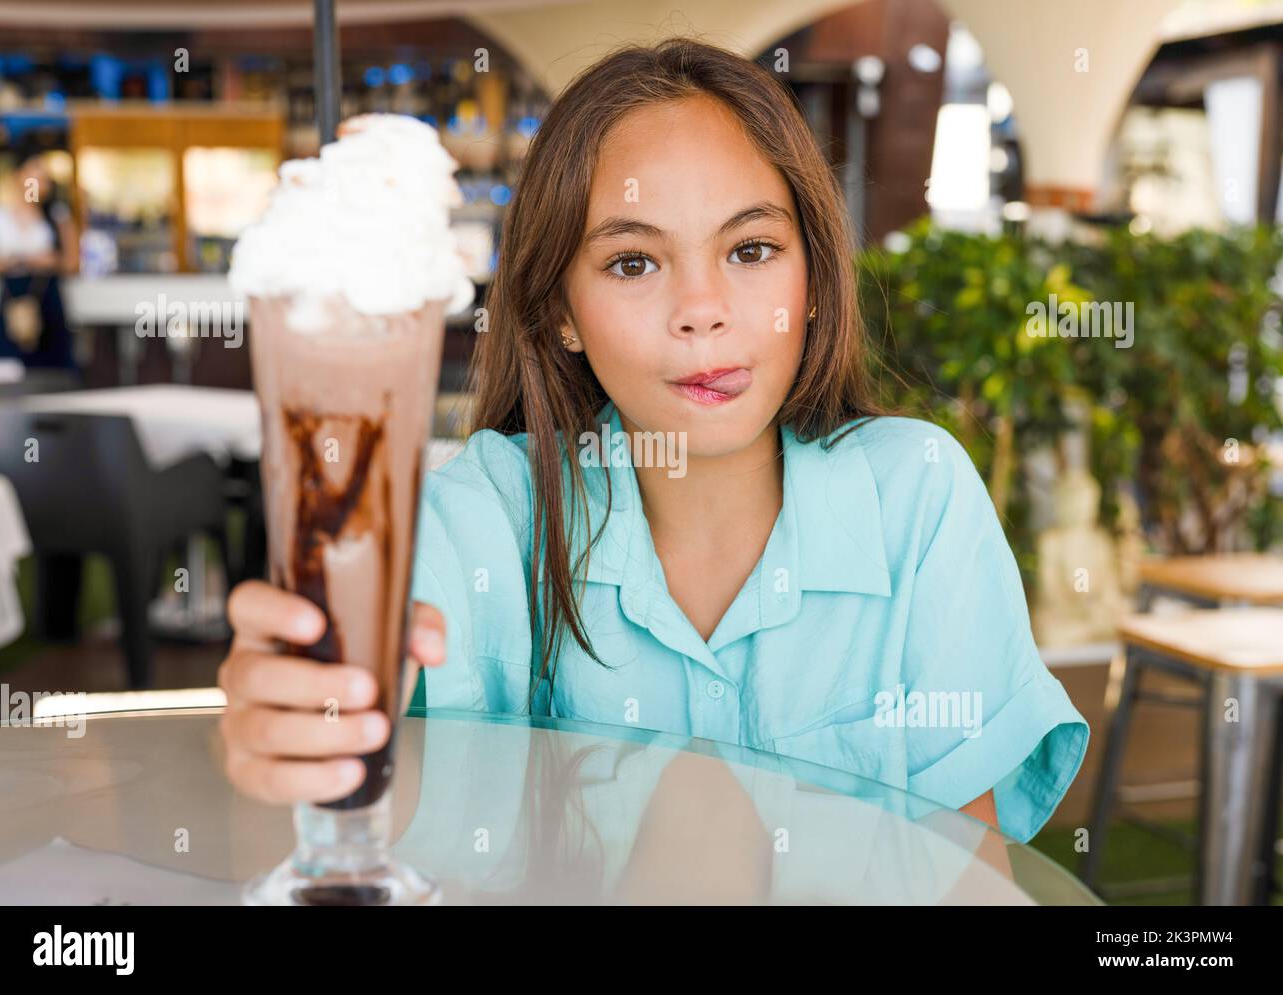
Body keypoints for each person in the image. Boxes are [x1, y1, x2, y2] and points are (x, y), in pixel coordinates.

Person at [218, 38, 1089, 853]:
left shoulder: (918, 499)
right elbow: (376, 766)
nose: (702, 310)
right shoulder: (483, 518)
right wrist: (309, 726)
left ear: (816, 281)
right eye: (634, 262)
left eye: (752, 249)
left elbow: (967, 873)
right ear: (559, 312)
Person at [0, 137, 79, 369]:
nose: (41, 180)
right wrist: (20, 261)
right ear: (18, 174)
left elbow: (72, 263)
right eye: (34, 172)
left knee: (52, 369)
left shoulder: (56, 215)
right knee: (12, 368)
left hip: (47, 296)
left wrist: (48, 262)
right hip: (12, 298)